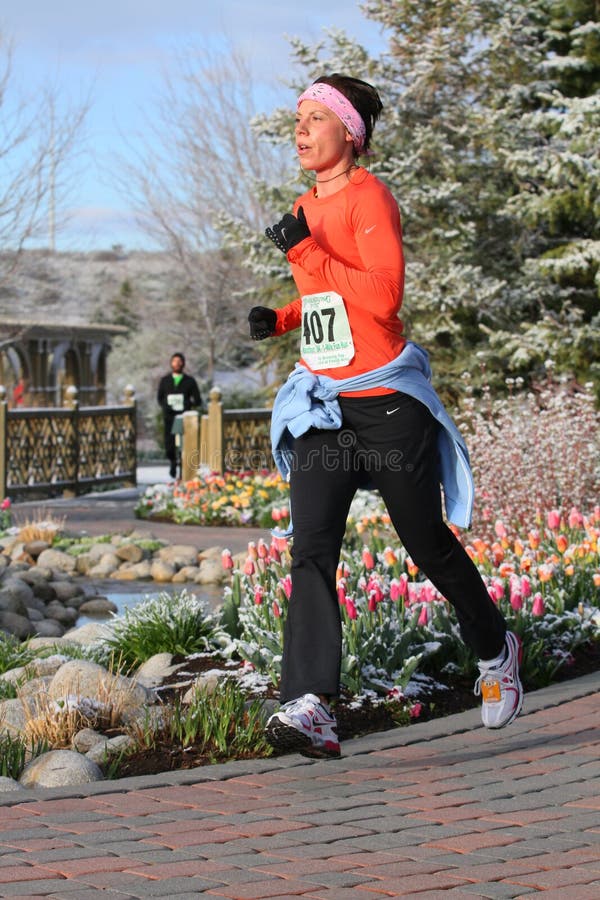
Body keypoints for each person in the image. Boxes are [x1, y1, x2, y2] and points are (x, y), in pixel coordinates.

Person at [248, 73, 523, 760]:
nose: (301, 129)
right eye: (298, 118)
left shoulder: (371, 198)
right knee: (311, 546)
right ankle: (311, 703)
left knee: (423, 539)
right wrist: (281, 316)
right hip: (323, 403)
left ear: (351, 133)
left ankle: (496, 646)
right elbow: (326, 305)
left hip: (387, 401)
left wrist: (304, 250)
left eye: (316, 118)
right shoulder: (302, 207)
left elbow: (382, 294)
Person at [157, 353, 201, 479]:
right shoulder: (165, 381)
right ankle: (172, 462)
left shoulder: (190, 381)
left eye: (179, 361)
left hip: (184, 417)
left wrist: (187, 404)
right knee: (169, 444)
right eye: (174, 361)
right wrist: (165, 406)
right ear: (171, 363)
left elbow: (197, 400)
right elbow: (159, 398)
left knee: (184, 444)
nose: (177, 364)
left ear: (183, 363)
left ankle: (183, 467)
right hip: (169, 416)